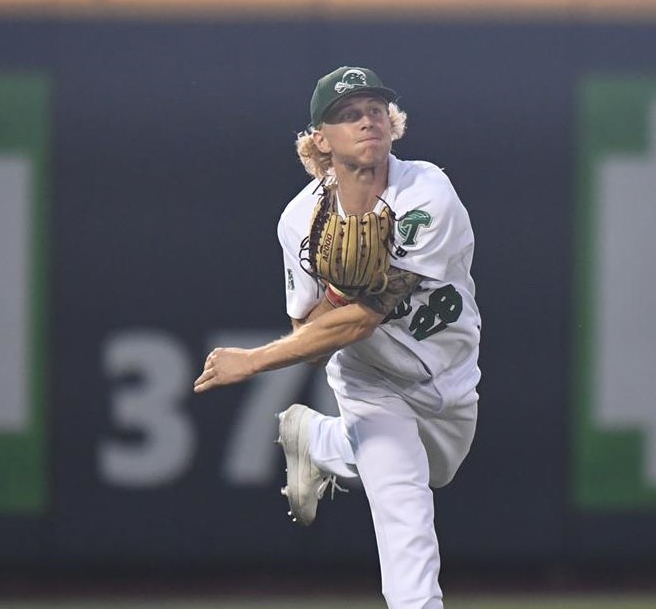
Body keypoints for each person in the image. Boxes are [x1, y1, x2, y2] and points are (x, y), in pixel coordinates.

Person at [193, 65, 481, 609]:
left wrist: (253, 361)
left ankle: (320, 440)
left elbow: (366, 316)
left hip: (451, 368)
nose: (367, 120)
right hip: (370, 382)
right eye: (349, 115)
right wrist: (333, 298)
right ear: (320, 140)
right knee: (405, 514)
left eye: (375, 110)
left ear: (392, 123)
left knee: (439, 470)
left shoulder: (427, 190)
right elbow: (311, 334)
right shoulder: (299, 221)